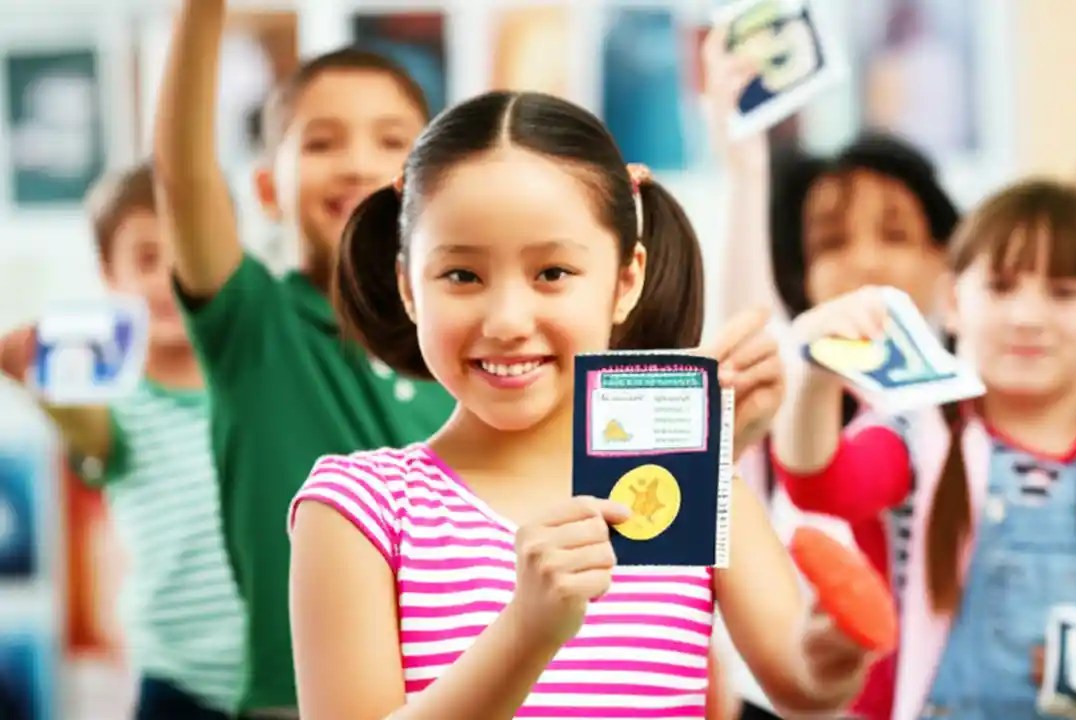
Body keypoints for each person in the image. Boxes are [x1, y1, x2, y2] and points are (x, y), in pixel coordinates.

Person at [287, 89, 874, 720]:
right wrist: (527, 632)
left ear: (625, 282)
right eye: (461, 275)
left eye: (553, 273)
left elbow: (802, 686)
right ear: (408, 287)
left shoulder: (688, 484)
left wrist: (831, 651)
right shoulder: (359, 507)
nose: (508, 320)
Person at [772, 180, 1076, 720]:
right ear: (955, 302)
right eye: (1002, 287)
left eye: (1063, 293)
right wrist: (814, 374)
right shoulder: (918, 437)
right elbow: (819, 482)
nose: (1028, 317)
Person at [152, 1, 455, 713]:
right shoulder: (253, 321)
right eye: (320, 143)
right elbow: (181, 174)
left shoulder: (464, 345)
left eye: (391, 142)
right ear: (266, 190)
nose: (356, 162)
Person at [700, 24, 959, 719]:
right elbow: (749, 337)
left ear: (948, 261)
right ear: (802, 274)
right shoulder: (790, 395)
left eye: (896, 234)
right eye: (831, 241)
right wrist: (747, 166)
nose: (864, 260)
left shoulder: (969, 410)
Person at [0, 163, 244, 720]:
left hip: (283, 676)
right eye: (148, 259)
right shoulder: (116, 401)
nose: (172, 278)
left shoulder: (254, 382)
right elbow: (89, 438)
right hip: (172, 677)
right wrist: (36, 379)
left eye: (191, 252)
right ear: (109, 274)